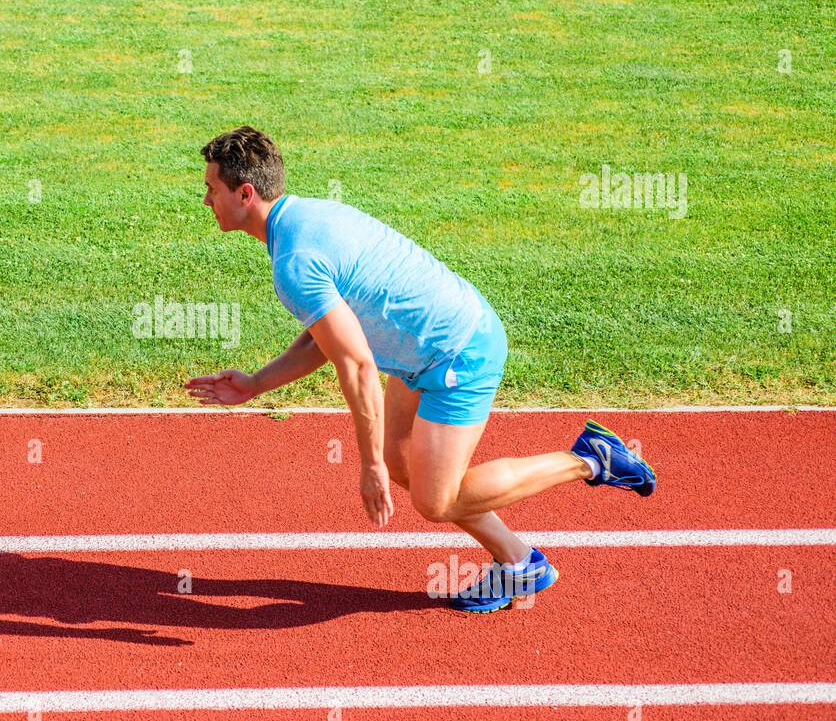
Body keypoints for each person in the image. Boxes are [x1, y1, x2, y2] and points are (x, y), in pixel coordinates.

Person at [186, 126, 656, 613]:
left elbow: (358, 366)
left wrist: (367, 467)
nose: (206, 200)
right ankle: (520, 564)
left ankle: (591, 459)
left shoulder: (295, 259)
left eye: (211, 189)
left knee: (435, 501)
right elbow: (329, 339)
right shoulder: (301, 220)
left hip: (457, 353)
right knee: (404, 463)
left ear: (245, 193)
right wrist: (258, 383)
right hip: (421, 349)